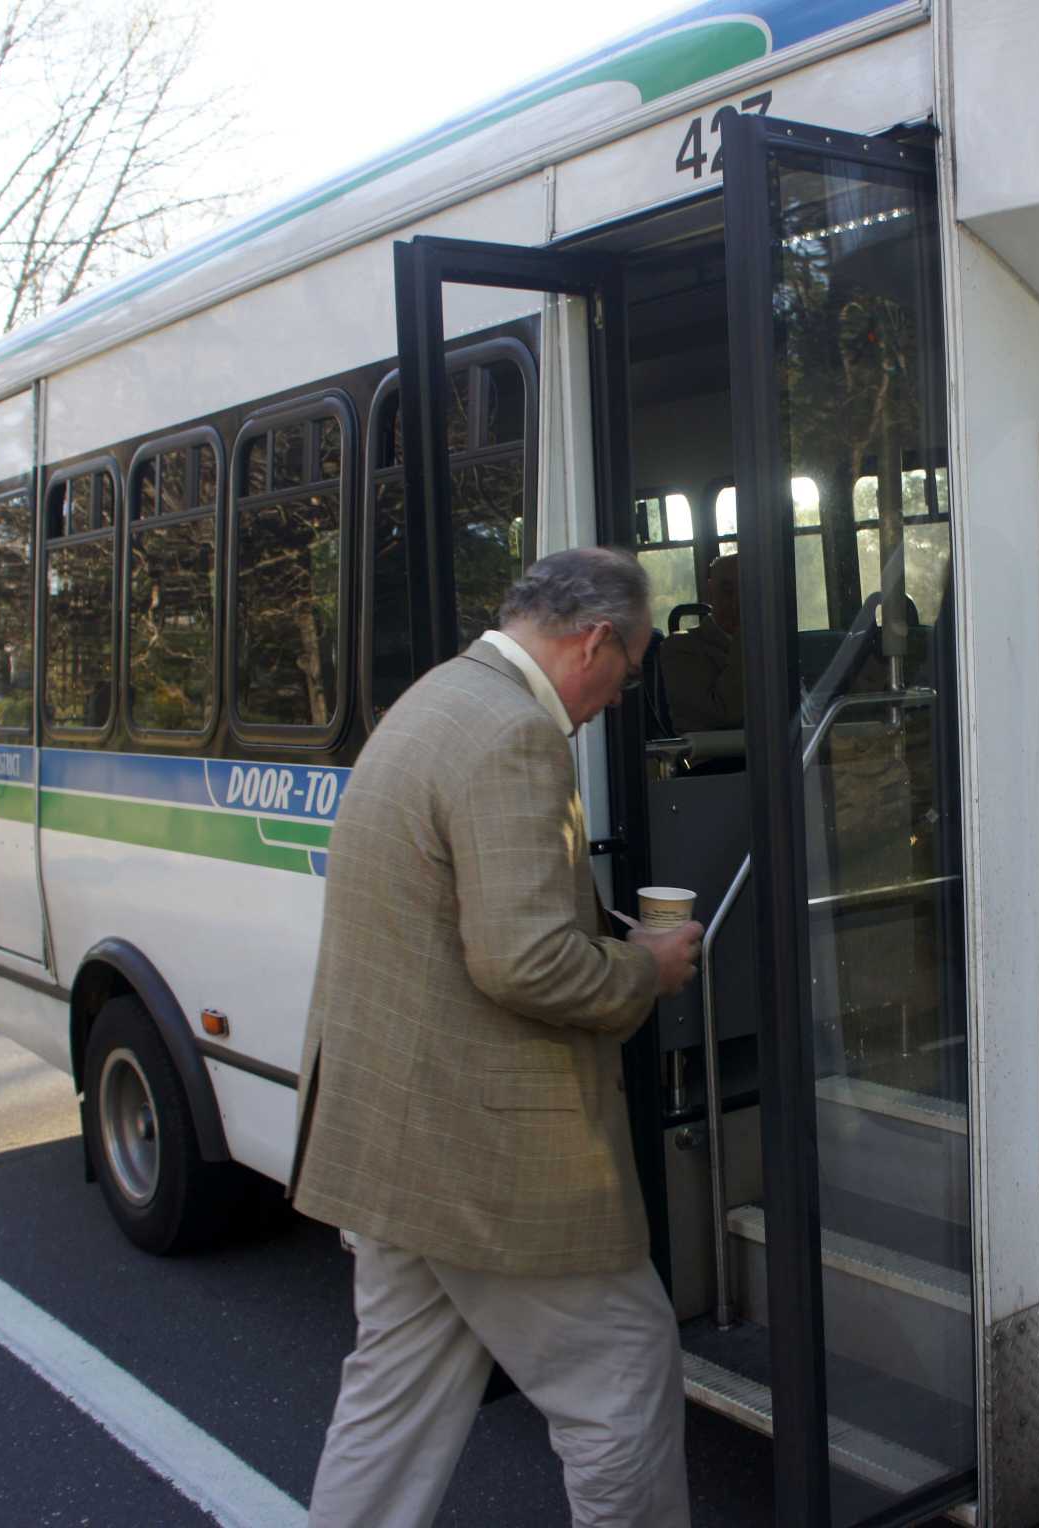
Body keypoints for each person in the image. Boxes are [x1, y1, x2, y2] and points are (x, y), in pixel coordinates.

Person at [290, 546, 703, 1528]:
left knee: (394, 1403)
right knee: (623, 1376)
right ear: (592, 641)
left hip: (392, 1138)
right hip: (483, 1154)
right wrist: (646, 968)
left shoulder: (438, 699)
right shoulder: (517, 733)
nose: (621, 695)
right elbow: (523, 962)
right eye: (629, 665)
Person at [659, 552, 743, 732]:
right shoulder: (678, 648)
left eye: (746, 591)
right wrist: (744, 641)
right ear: (710, 592)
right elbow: (721, 715)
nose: (737, 603)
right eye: (727, 591)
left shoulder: (772, 644)